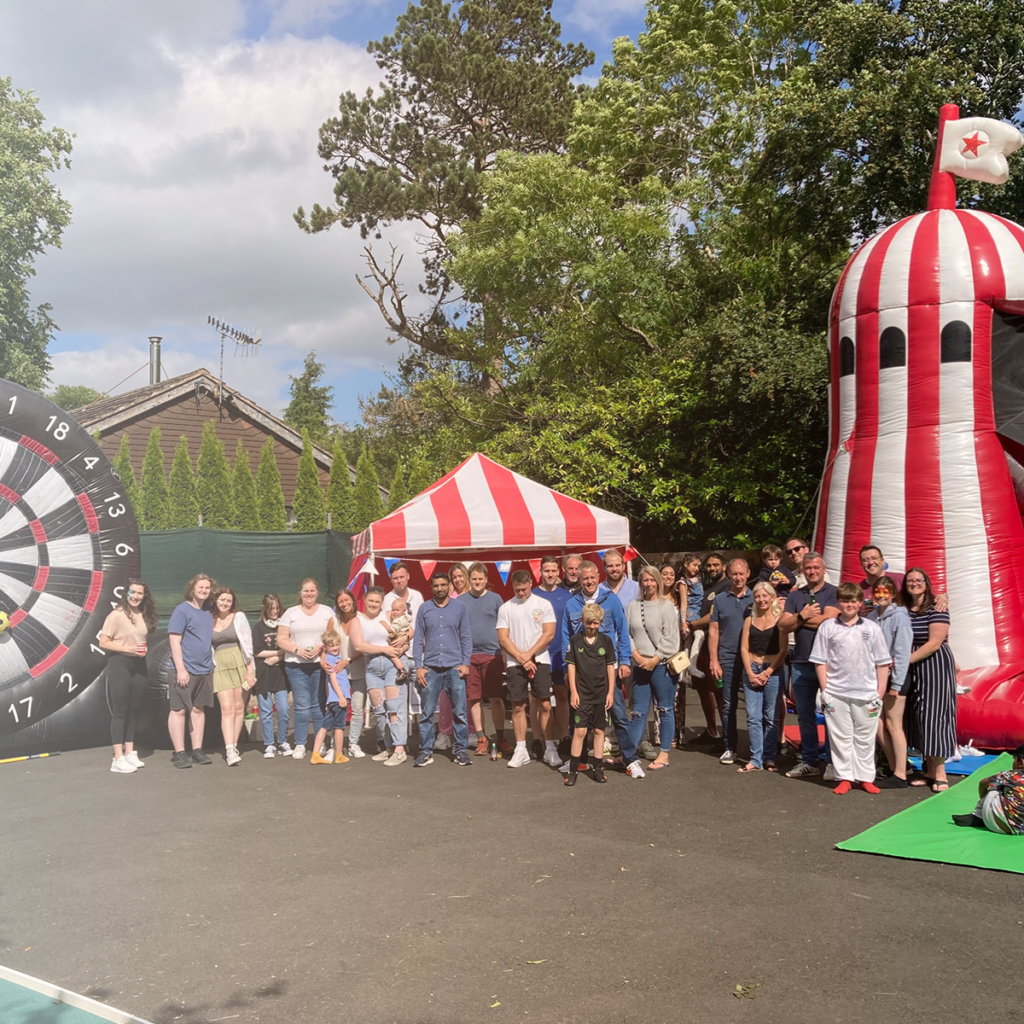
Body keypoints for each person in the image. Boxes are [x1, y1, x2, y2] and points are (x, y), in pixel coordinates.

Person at [809, 582, 891, 795]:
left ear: (860, 602)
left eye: (854, 601)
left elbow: (882, 663)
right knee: (840, 737)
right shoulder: (828, 627)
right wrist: (825, 689)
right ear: (838, 602)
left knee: (865, 737)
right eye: (845, 600)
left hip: (866, 692)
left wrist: (879, 693)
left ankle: (865, 778)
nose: (849, 605)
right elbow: (820, 661)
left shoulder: (871, 628)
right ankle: (845, 777)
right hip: (836, 691)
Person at [560, 561, 640, 778]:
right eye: (584, 578)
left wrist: (624, 661)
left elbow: (622, 632)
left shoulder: (610, 600)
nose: (589, 582)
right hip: (581, 673)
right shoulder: (572, 604)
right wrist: (566, 669)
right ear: (578, 578)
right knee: (579, 720)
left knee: (619, 714)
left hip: (607, 671)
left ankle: (630, 759)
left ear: (598, 576)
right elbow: (565, 639)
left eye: (592, 577)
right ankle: (580, 762)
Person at [780, 553, 840, 779]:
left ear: (823, 569)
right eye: (808, 568)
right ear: (803, 571)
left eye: (816, 567)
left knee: (833, 714)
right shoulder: (796, 595)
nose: (812, 571)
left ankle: (835, 763)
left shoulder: (833, 592)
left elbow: (830, 621)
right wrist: (802, 615)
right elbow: (783, 625)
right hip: (801, 661)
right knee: (805, 716)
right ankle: (810, 761)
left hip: (829, 663)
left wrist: (799, 618)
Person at [901, 568, 958, 793]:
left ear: (927, 582)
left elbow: (935, 642)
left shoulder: (937, 607)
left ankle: (940, 772)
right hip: (914, 664)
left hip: (933, 663)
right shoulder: (904, 609)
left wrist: (904, 661)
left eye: (919, 580)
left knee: (934, 715)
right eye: (910, 580)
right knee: (917, 715)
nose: (914, 583)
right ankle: (928, 770)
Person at [498, 570, 559, 768]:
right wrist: (521, 658)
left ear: (531, 584)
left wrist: (530, 654)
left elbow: (548, 634)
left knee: (545, 705)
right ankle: (521, 749)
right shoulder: (506, 608)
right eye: (517, 590)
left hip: (540, 660)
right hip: (515, 663)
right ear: (513, 586)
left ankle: (550, 748)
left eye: (524, 589)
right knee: (517, 706)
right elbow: (503, 638)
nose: (521, 593)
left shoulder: (543, 604)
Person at [413, 571, 472, 767]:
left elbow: (466, 636)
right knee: (427, 713)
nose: (439, 588)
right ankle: (425, 750)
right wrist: (418, 666)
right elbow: (417, 639)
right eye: (435, 585)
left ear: (449, 586)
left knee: (460, 713)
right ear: (432, 588)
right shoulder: (424, 609)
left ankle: (460, 750)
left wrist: (465, 663)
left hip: (455, 667)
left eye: (442, 585)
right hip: (430, 668)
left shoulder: (460, 607)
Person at [625, 565, 680, 770]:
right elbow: (627, 633)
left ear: (657, 581)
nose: (648, 584)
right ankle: (629, 755)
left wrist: (654, 660)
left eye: (651, 580)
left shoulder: (665, 607)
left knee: (664, 709)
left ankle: (664, 753)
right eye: (644, 580)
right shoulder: (633, 605)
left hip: (661, 666)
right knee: (638, 712)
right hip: (639, 664)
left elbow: (671, 639)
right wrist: (636, 655)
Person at [100, 578, 157, 774]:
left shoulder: (145, 615)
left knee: (134, 710)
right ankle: (117, 757)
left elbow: (141, 639)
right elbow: (103, 642)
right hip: (119, 663)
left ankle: (130, 751)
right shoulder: (116, 615)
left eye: (140, 593)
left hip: (139, 664)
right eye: (132, 592)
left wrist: (138, 650)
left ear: (144, 596)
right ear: (126, 593)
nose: (135, 596)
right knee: (120, 711)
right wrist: (127, 649)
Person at [350, 586, 410, 766]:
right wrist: (384, 648)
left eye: (377, 601)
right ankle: (389, 747)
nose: (374, 604)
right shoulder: (357, 621)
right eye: (371, 601)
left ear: (382, 603)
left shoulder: (388, 616)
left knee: (393, 706)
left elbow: (408, 629)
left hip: (392, 664)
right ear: (365, 601)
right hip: (373, 667)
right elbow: (359, 646)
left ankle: (399, 749)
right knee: (379, 709)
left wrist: (405, 640)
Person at [277, 580, 335, 760]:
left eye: (312, 590)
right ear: (300, 592)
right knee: (301, 706)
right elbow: (281, 639)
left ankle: (320, 744)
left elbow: (332, 635)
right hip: (296, 665)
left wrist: (320, 647)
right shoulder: (290, 613)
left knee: (319, 705)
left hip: (320, 664)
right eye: (305, 591)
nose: (308, 594)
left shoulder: (327, 611)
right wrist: (297, 650)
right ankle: (300, 744)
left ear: (317, 592)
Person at [865, 576, 913, 787]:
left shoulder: (900, 616)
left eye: (885, 592)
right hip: (877, 676)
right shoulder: (874, 616)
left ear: (893, 593)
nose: (881, 595)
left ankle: (901, 774)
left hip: (895, 676)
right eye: (877, 592)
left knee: (894, 724)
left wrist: (897, 683)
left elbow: (902, 651)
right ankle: (895, 767)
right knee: (877, 722)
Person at [708, 558, 754, 765]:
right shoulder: (719, 599)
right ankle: (730, 747)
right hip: (726, 657)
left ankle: (758, 750)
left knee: (754, 707)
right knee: (728, 705)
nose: (737, 577)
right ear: (729, 574)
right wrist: (714, 660)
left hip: (752, 658)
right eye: (734, 574)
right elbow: (714, 630)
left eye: (741, 573)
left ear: (748, 574)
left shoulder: (758, 597)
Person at [737, 582, 788, 773]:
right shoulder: (749, 620)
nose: (761, 599)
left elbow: (783, 650)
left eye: (765, 596)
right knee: (753, 716)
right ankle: (755, 758)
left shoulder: (780, 620)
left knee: (771, 716)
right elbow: (744, 648)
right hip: (751, 667)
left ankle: (769, 757)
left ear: (772, 597)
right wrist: (750, 672)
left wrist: (768, 672)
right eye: (758, 596)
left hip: (772, 670)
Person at [563, 604, 615, 786]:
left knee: (599, 731)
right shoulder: (575, 640)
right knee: (580, 731)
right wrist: (574, 692)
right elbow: (571, 666)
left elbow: (610, 667)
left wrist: (610, 693)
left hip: (601, 694)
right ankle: (574, 770)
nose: (591, 627)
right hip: (582, 695)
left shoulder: (606, 642)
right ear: (582, 622)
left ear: (600, 622)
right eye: (588, 623)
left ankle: (598, 768)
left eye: (595, 623)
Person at [167, 574, 215, 769]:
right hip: (183, 670)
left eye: (207, 588)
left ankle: (197, 750)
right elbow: (174, 641)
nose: (204, 590)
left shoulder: (209, 611)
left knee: (198, 709)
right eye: (200, 587)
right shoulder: (181, 610)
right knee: (178, 710)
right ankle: (180, 753)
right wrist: (181, 669)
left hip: (205, 669)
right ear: (192, 588)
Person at [462, 562, 507, 755]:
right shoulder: (461, 601)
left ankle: (500, 737)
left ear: (486, 579)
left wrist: (505, 653)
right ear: (469, 580)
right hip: (469, 656)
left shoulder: (496, 599)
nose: (477, 582)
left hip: (493, 654)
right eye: (474, 579)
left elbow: (505, 627)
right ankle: (481, 738)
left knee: (496, 698)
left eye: (481, 579)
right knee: (474, 699)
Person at [685, 552, 730, 744]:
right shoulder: (706, 586)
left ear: (724, 567)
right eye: (709, 566)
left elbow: (713, 615)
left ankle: (727, 736)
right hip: (701, 647)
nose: (712, 568)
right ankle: (711, 731)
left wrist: (692, 625)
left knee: (719, 691)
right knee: (702, 688)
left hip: (717, 647)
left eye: (716, 565)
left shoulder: (726, 586)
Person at [210, 585, 255, 766]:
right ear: (216, 600)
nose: (225, 603)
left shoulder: (239, 617)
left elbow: (247, 643)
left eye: (228, 600)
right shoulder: (209, 619)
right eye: (222, 599)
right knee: (226, 708)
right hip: (219, 664)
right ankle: (229, 748)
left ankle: (234, 746)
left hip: (239, 662)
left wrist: (250, 670)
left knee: (238, 707)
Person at [534, 555, 573, 751]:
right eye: (546, 571)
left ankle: (565, 737)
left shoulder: (566, 596)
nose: (550, 574)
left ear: (559, 572)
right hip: (539, 653)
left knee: (562, 695)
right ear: (540, 572)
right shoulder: (532, 595)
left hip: (560, 653)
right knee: (539, 699)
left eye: (553, 571)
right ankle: (538, 739)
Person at [953, 744, 1024, 834]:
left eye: (1014, 760)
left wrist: (983, 802)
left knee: (996, 786)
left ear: (1021, 763)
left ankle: (979, 815)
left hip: (1003, 826)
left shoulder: (1011, 775)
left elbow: (982, 783)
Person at [253, 593, 291, 759]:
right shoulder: (259, 627)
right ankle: (269, 744)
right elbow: (257, 651)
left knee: (283, 709)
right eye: (271, 608)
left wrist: (278, 656)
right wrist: (277, 653)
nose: (275, 611)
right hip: (264, 674)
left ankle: (282, 741)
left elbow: (289, 648)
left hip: (281, 674)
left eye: (277, 608)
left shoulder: (284, 627)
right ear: (265, 609)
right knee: (266, 711)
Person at [329, 588, 366, 757]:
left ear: (353, 600)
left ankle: (353, 743)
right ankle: (333, 743)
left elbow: (363, 647)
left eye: (346, 600)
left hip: (358, 669)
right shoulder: (333, 621)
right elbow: (326, 643)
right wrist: (324, 662)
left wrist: (348, 660)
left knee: (357, 709)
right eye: (340, 601)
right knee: (336, 708)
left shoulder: (361, 619)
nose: (344, 604)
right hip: (338, 673)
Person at [310, 631, 350, 765]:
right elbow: (332, 679)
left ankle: (315, 754)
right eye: (332, 646)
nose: (335, 647)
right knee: (339, 727)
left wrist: (329, 699)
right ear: (325, 648)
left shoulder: (331, 659)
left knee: (325, 726)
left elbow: (328, 683)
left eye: (337, 644)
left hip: (332, 700)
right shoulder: (332, 660)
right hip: (339, 699)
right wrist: (341, 697)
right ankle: (338, 754)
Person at [385, 598, 413, 678]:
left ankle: (401, 669)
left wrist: (384, 624)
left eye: (397, 610)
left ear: (404, 611)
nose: (394, 612)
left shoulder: (399, 620)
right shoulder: (404, 618)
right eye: (393, 609)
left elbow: (393, 630)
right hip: (404, 643)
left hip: (401, 639)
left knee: (393, 654)